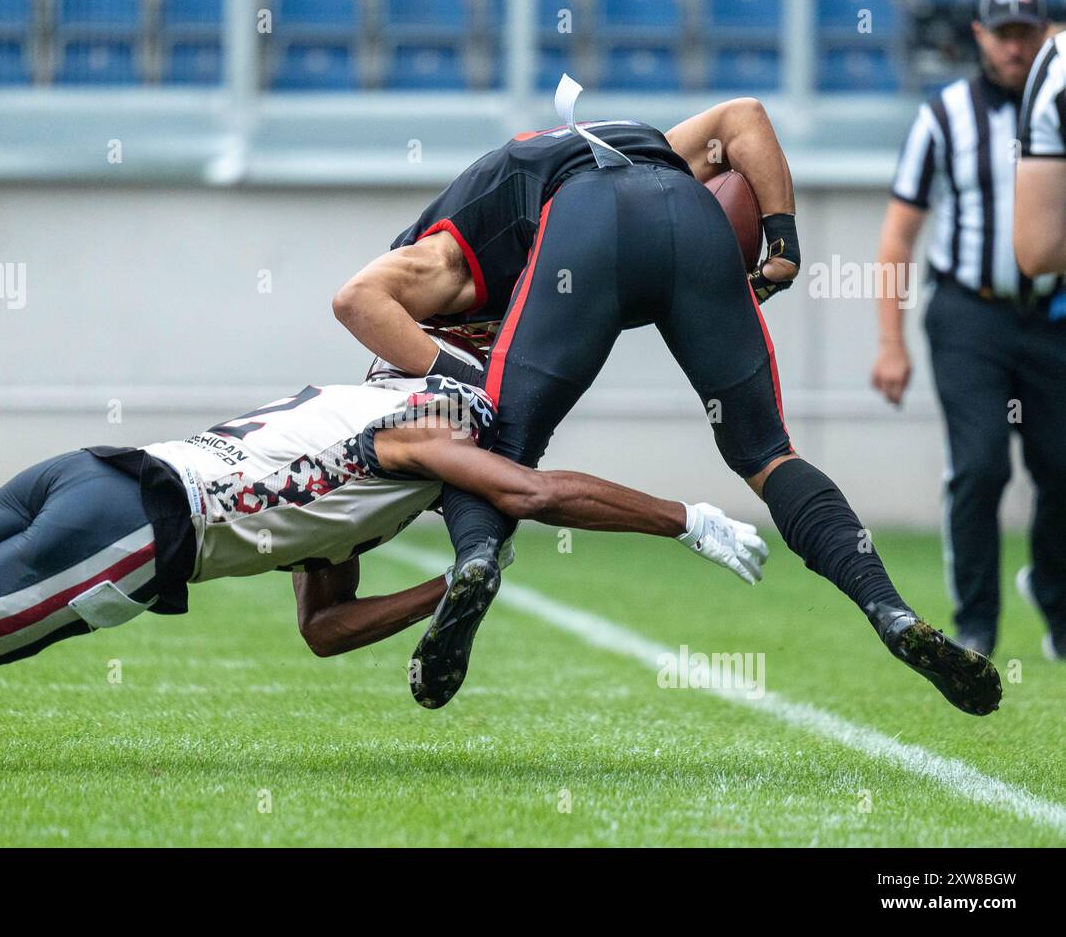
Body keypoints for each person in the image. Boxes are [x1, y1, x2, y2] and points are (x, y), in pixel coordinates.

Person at [331, 78, 1002, 715]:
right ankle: (889, 608)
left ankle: (476, 563)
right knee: (768, 452)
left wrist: (471, 385)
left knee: (491, 446)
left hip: (584, 219)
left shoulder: (437, 257)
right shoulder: (636, 144)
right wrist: (783, 245)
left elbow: (355, 299)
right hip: (691, 217)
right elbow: (745, 117)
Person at [0, 336, 767, 706]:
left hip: (85, 476)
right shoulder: (421, 426)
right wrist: (684, 516)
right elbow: (537, 495)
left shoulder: (350, 438)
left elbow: (322, 627)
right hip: (135, 528)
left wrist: (456, 588)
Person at [876, 0, 1064, 659]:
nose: (1015, 46)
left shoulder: (1061, 104)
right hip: (968, 315)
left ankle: (1053, 594)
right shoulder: (944, 115)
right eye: (1002, 33)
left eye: (1026, 32)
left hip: (1052, 316)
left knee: (1062, 469)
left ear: (1045, 34)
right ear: (980, 37)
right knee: (981, 465)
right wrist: (890, 342)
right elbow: (898, 236)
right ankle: (977, 622)